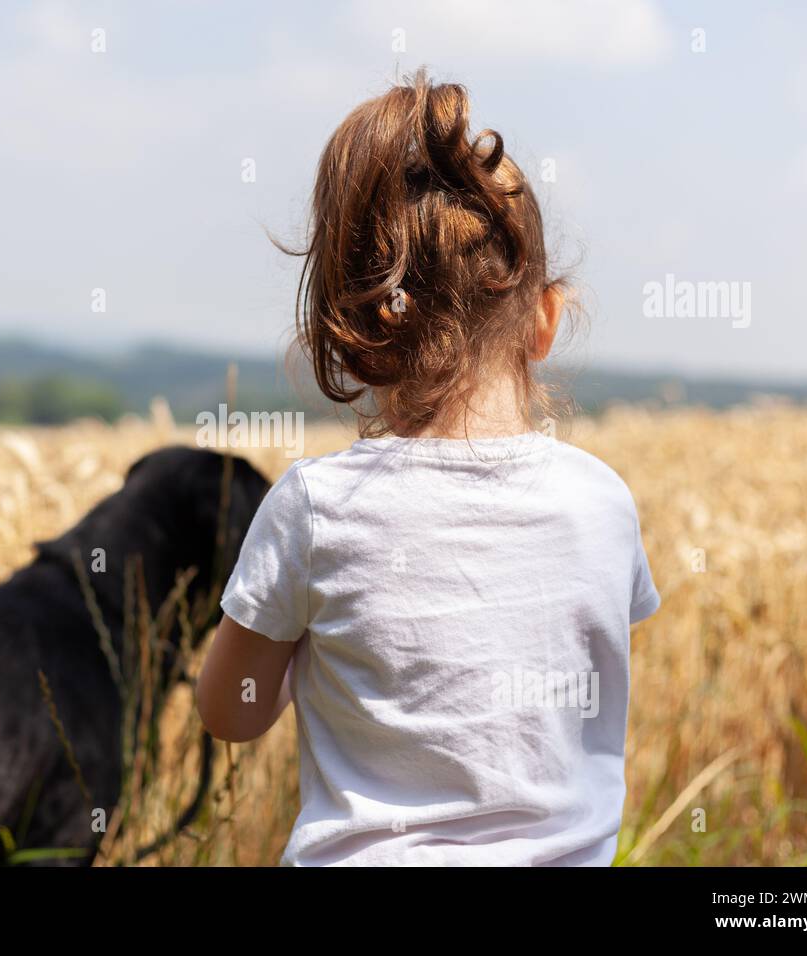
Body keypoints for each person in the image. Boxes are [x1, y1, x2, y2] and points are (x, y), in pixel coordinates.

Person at [196, 68, 660, 866]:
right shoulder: (603, 504)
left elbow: (231, 711)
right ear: (546, 318)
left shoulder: (315, 509)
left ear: (357, 326)